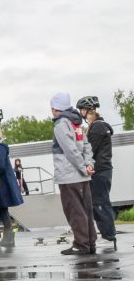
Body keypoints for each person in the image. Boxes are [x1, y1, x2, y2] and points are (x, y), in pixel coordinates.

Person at [51, 93, 96, 255]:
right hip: (82, 175)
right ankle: (90, 242)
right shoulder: (75, 122)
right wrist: (89, 164)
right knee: (86, 210)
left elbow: (70, 150)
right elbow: (86, 145)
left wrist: (84, 167)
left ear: (55, 108)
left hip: (69, 175)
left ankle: (81, 244)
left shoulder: (61, 124)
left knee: (74, 210)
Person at [77, 96, 116, 250]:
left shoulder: (97, 127)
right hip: (103, 170)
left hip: (99, 171)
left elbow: (90, 150)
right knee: (99, 202)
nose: (81, 112)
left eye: (82, 109)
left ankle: (108, 236)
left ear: (88, 110)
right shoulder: (97, 126)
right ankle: (107, 235)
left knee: (100, 203)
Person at [0, 124, 24, 248]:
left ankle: (9, 237)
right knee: (1, 210)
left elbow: (0, 165)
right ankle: (8, 237)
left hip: (1, 183)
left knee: (2, 209)